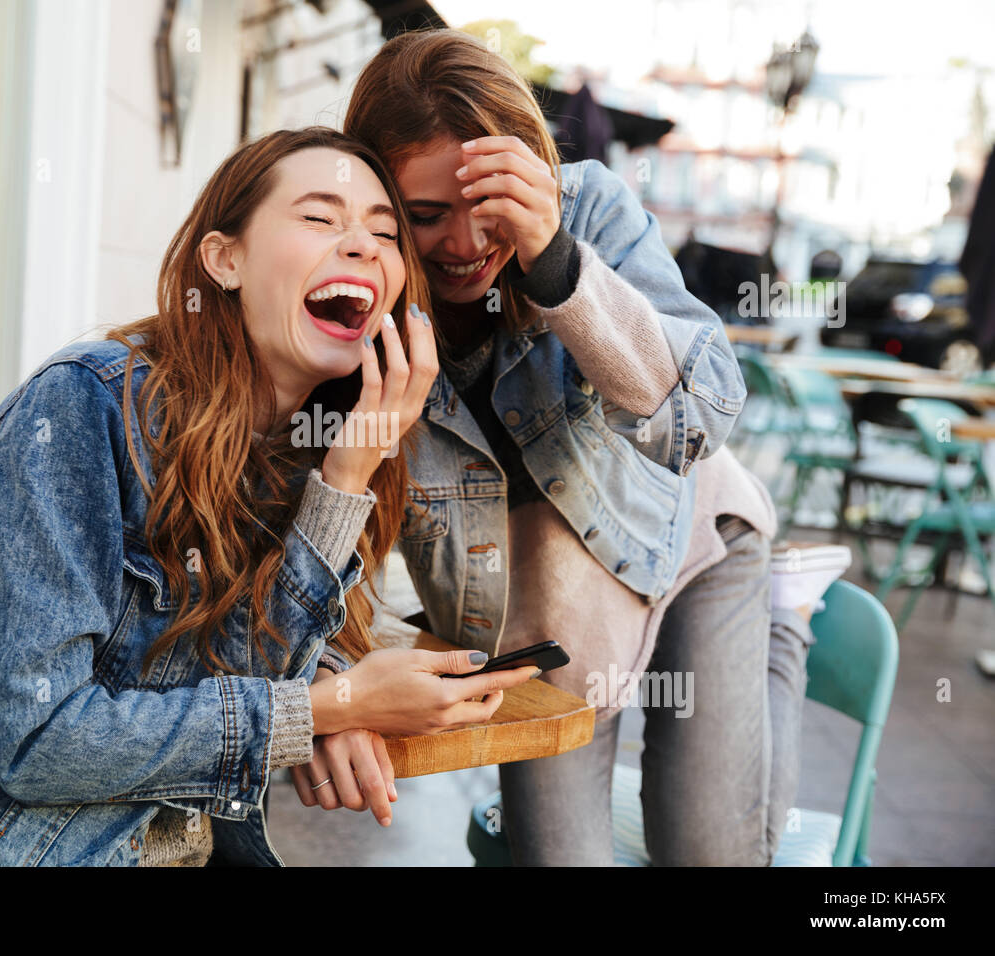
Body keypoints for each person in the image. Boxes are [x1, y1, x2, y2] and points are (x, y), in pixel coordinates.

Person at [0, 127, 539, 868]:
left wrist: (345, 486)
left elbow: (246, 667)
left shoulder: (312, 451)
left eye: (384, 233)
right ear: (225, 259)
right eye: (319, 218)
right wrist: (333, 708)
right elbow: (39, 741)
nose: (363, 245)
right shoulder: (82, 407)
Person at [296, 29, 848, 866]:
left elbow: (705, 415)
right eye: (425, 216)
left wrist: (556, 262)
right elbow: (317, 523)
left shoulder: (586, 208)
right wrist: (328, 691)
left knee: (713, 854)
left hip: (690, 544)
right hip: (545, 621)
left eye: (486, 207)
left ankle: (784, 620)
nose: (464, 242)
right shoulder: (358, 294)